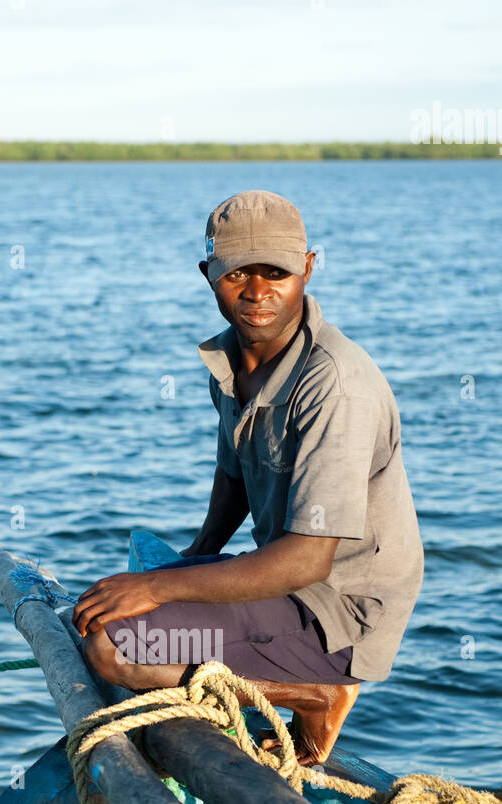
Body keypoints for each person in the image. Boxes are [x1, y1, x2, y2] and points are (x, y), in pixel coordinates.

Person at [74, 190, 424, 764]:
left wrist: (157, 588)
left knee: (116, 650)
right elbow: (233, 473)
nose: (258, 292)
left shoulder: (334, 386)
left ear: (308, 268)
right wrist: (194, 556)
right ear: (208, 275)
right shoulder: (236, 359)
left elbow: (309, 560)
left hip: (337, 613)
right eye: (238, 273)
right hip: (285, 585)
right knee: (97, 608)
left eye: (277, 273)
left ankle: (316, 695)